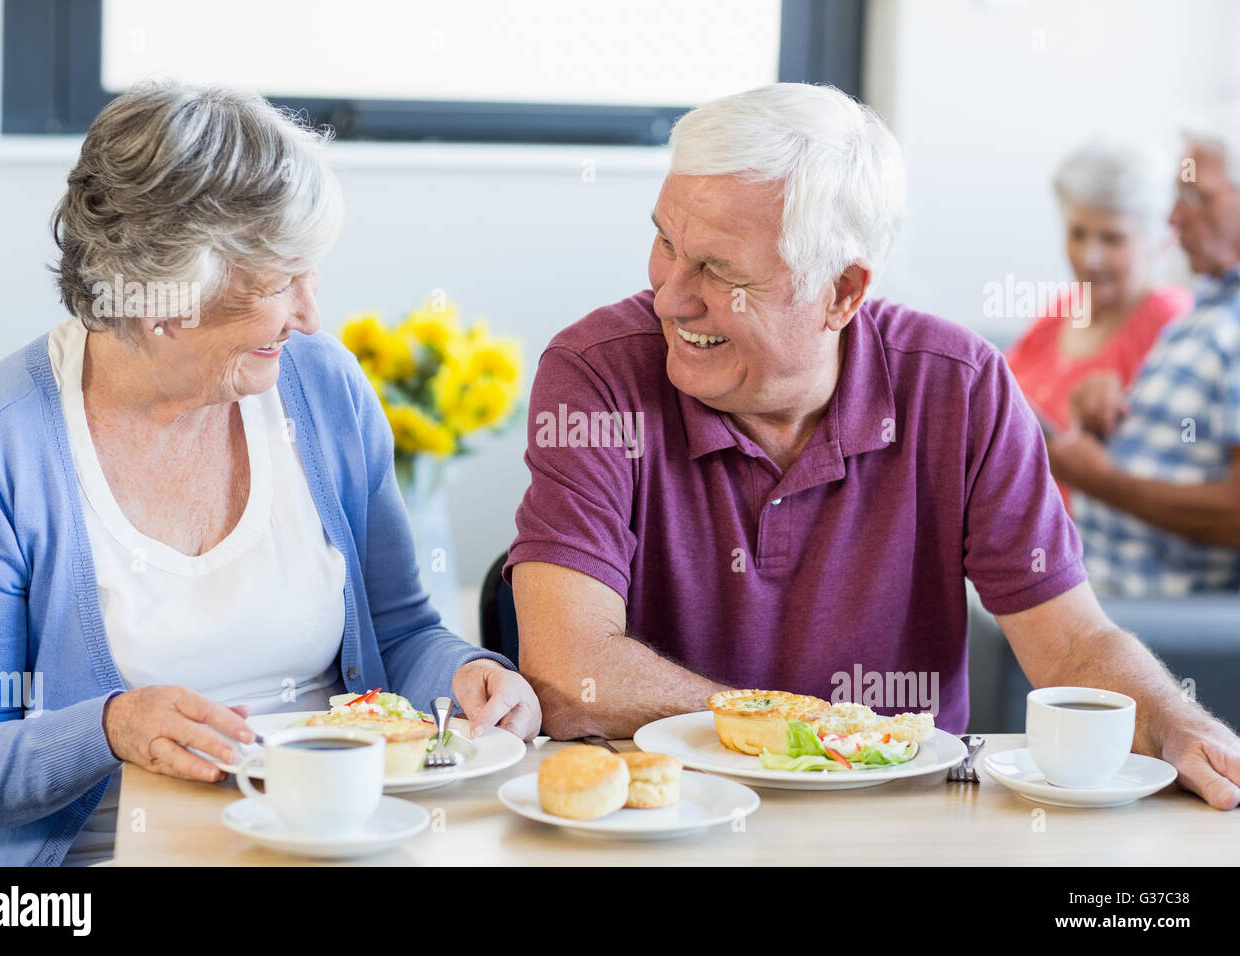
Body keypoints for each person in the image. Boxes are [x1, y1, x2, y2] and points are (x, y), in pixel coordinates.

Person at [505, 83, 1240, 811]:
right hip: (670, 819)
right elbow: (570, 671)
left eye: (721, 270)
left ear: (842, 293)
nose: (670, 296)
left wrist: (1178, 722)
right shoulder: (595, 375)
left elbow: (1073, 644)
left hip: (900, 822)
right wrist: (811, 732)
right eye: (667, 241)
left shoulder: (962, 385)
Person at [0, 82, 540, 866]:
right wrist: (110, 727)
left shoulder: (322, 386)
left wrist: (471, 675)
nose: (310, 316)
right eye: (281, 281)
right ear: (165, 298)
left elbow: (401, 632)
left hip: (339, 837)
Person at [1049, 106, 1240, 597]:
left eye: (1196, 196)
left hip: (1147, 612)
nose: (1174, 218)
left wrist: (1101, 479)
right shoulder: (1206, 314)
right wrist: (1102, 415)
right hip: (1093, 577)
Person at [1006, 142, 1191, 506]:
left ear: (1162, 239)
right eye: (1078, 234)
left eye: (1112, 238)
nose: (1090, 257)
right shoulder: (1063, 306)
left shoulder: (1174, 323)